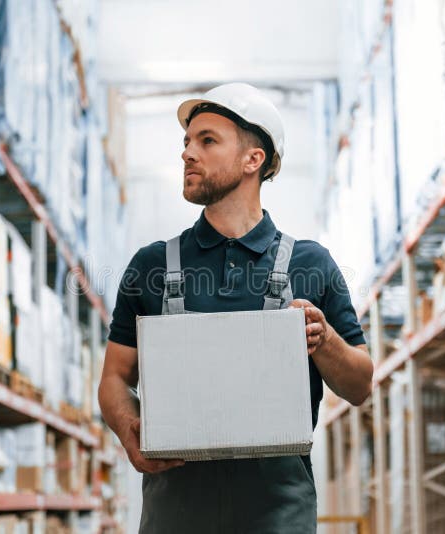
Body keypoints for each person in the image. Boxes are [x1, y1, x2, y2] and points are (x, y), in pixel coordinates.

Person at [98, 82, 373, 533]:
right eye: (187, 142)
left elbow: (360, 385)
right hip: (176, 516)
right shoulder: (151, 266)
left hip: (277, 516)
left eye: (207, 141)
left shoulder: (311, 264)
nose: (188, 153)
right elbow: (114, 377)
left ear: (253, 160)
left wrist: (324, 341)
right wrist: (128, 425)